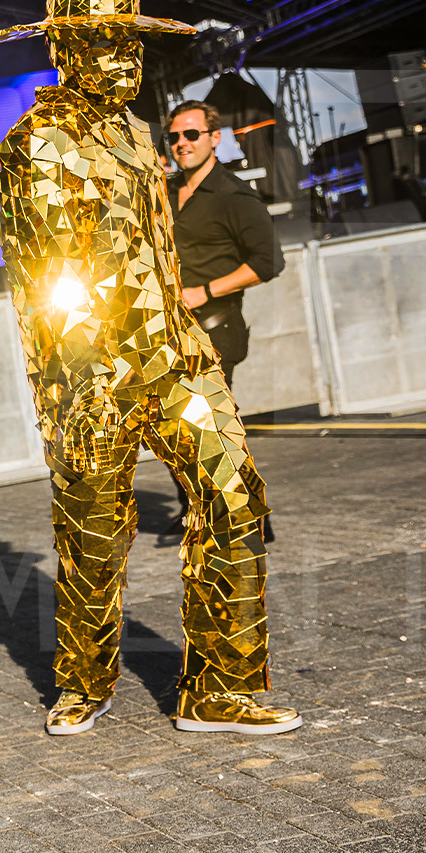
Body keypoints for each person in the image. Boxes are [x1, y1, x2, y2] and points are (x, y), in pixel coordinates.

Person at [0, 0, 300, 737]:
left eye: (131, 41)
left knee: (235, 490)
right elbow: (45, 278)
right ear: (69, 50)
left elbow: (156, 252)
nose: (126, 58)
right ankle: (83, 681)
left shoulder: (135, 135)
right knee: (93, 534)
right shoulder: (36, 145)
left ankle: (220, 687)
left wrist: (188, 335)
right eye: (106, 42)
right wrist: (79, 385)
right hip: (93, 377)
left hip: (172, 357)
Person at [164, 100, 282, 544]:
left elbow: (268, 262)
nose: (182, 143)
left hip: (216, 327)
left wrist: (205, 290)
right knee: (177, 427)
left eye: (191, 134)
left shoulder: (234, 195)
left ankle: (251, 521)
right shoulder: (169, 191)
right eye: (175, 136)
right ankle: (197, 509)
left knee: (211, 426)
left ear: (214, 138)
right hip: (174, 332)